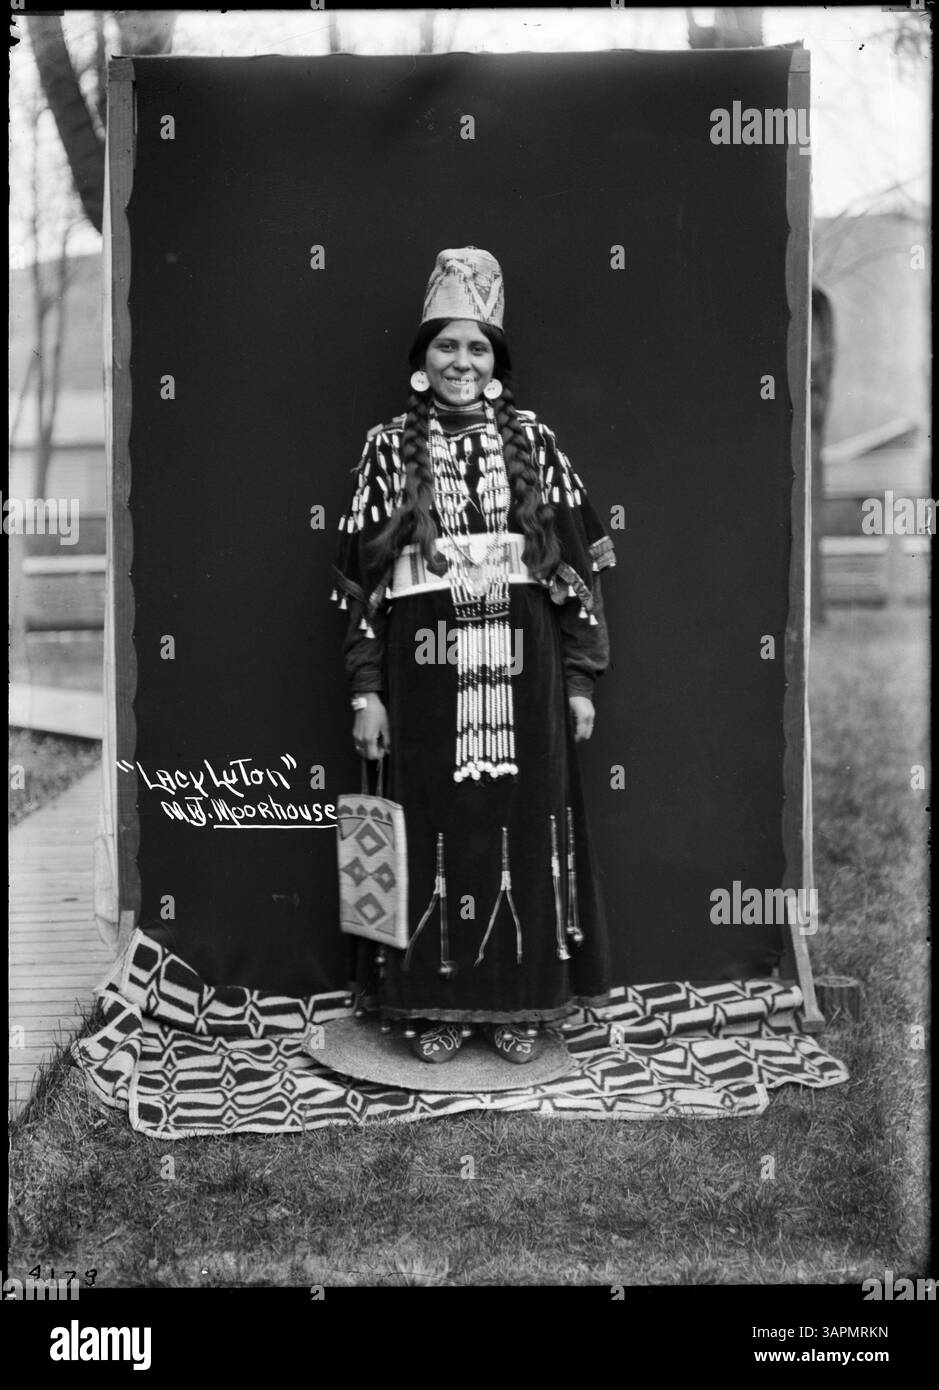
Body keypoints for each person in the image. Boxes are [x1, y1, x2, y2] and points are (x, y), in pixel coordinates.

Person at [330, 247, 616, 1064]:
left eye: (477, 347)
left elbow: (578, 574)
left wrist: (582, 679)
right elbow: (360, 590)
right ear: (421, 362)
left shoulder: (533, 441)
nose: (461, 361)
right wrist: (365, 693)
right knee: (435, 831)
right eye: (446, 345)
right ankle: (433, 1005)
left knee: (524, 832)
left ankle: (522, 1008)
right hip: (421, 685)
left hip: (526, 680)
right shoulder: (388, 449)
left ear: (496, 363)